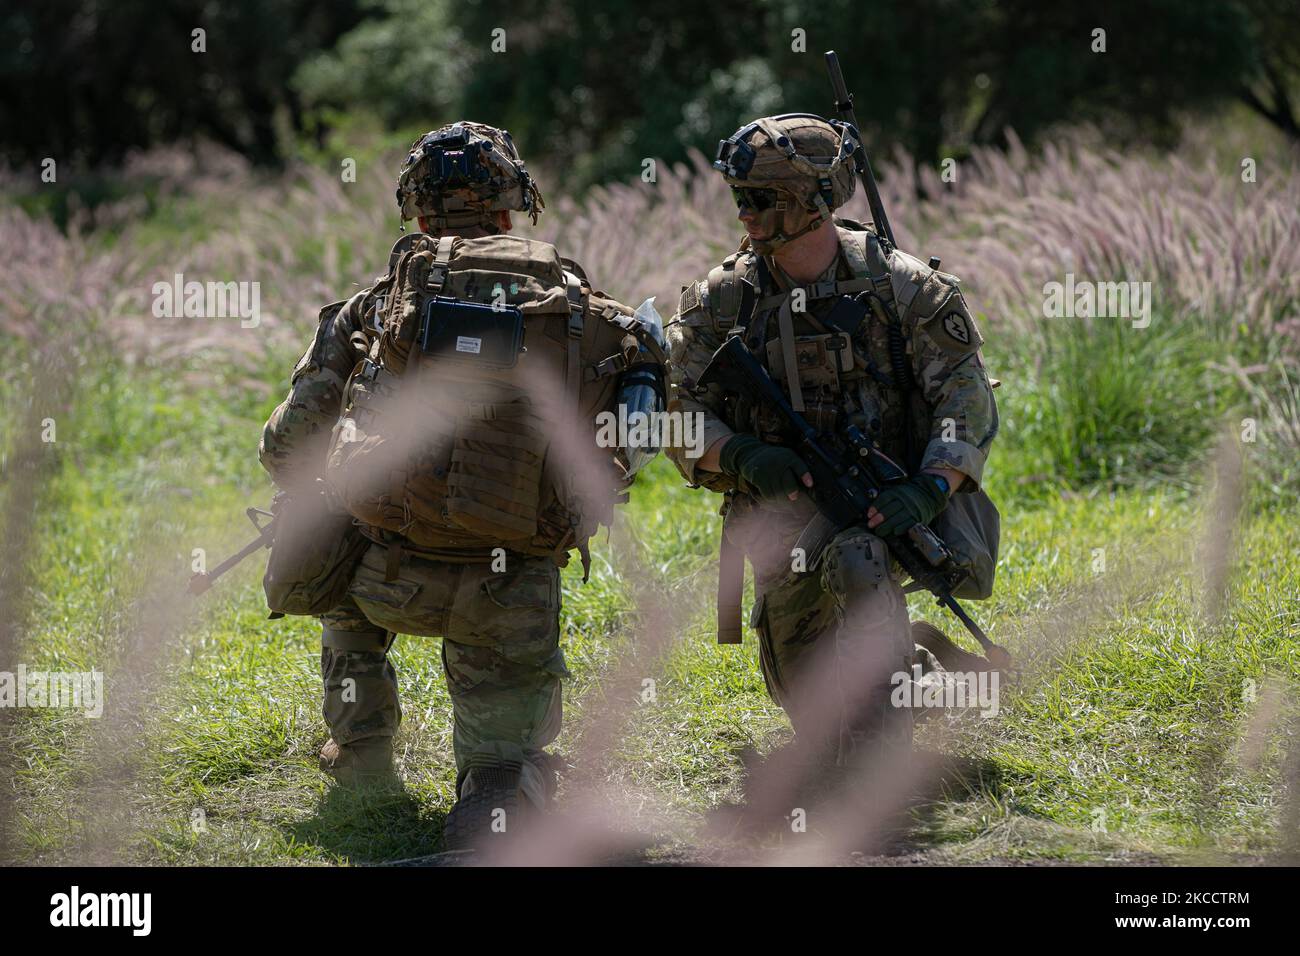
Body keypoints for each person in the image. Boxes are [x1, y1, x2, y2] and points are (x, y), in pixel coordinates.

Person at [259, 121, 664, 849]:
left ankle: (361, 753)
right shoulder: (586, 313)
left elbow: (289, 447)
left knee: (331, 522)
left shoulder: (374, 311)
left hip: (383, 574)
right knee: (504, 766)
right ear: (512, 210)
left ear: (414, 212)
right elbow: (631, 453)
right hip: (508, 590)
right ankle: (494, 790)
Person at [664, 113, 999, 812]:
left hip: (888, 506)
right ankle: (923, 667)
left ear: (815, 201)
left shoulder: (906, 291)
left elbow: (965, 398)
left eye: (764, 198)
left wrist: (930, 488)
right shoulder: (722, 301)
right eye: (741, 199)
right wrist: (744, 456)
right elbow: (674, 410)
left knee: (859, 557)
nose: (746, 214)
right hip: (780, 523)